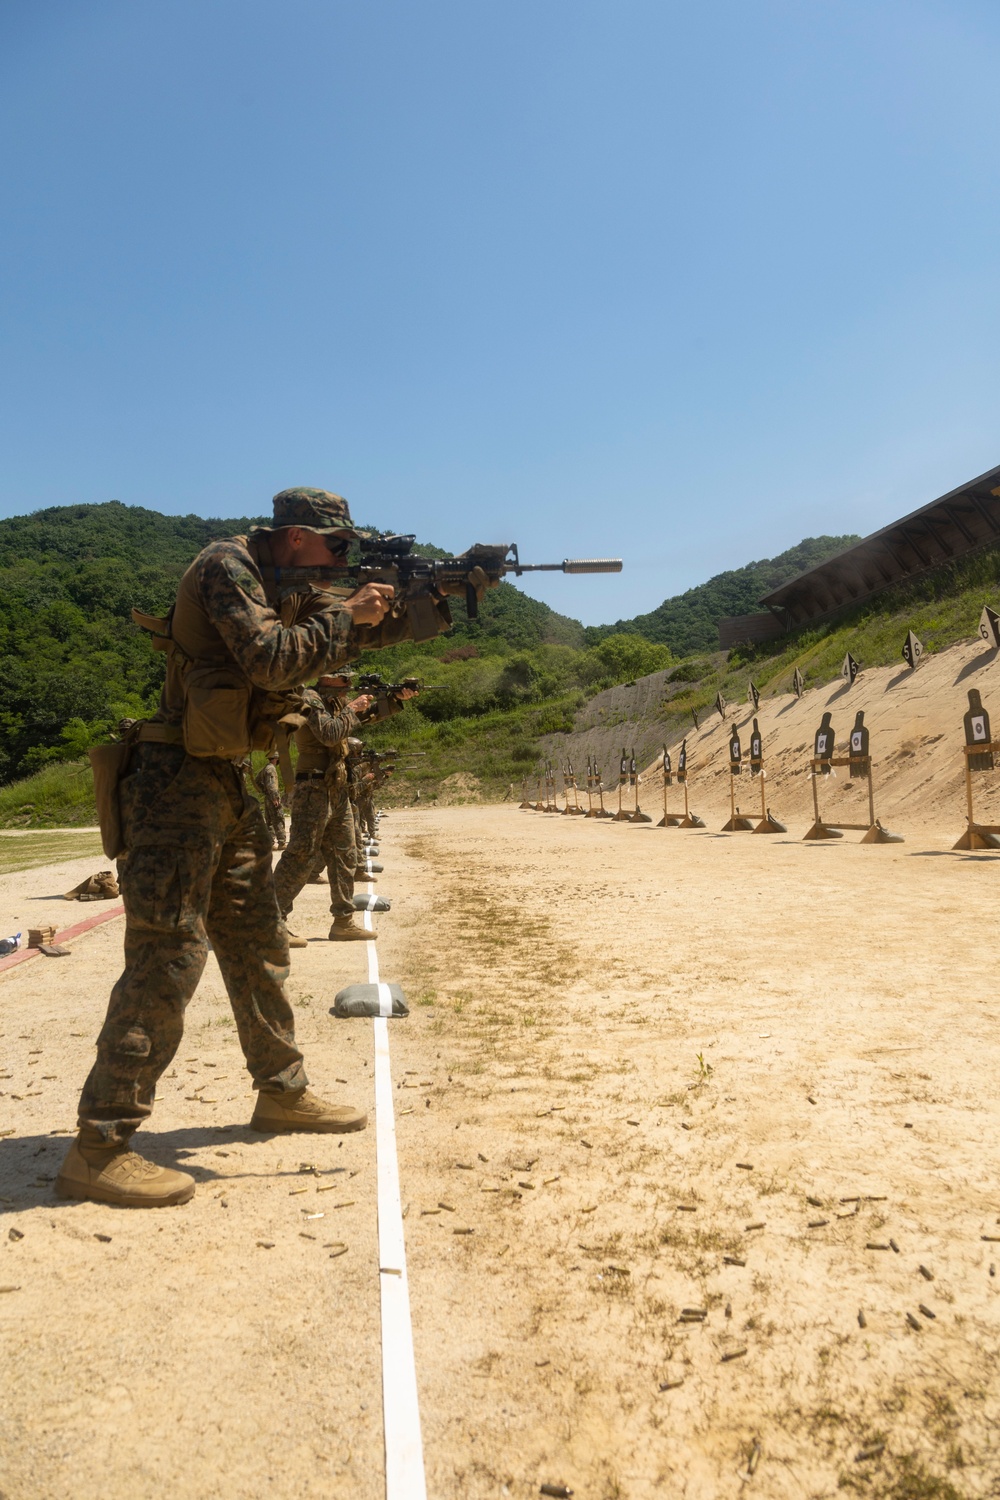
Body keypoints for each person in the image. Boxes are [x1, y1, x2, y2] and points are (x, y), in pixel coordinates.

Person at [57, 486, 480, 1208]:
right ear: (294, 538)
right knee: (169, 953)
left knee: (256, 940)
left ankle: (281, 1091)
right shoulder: (227, 568)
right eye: (334, 548)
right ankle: (100, 1143)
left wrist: (438, 597)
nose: (339, 563)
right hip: (170, 784)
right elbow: (271, 662)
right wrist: (348, 611)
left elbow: (364, 637)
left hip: (223, 783)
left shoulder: (296, 593)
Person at [273, 670, 375, 942]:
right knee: (302, 855)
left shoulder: (334, 703)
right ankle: (272, 922)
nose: (348, 685)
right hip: (313, 788)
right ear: (326, 678)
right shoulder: (310, 700)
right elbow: (330, 734)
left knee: (345, 855)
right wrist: (352, 707)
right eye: (344, 680)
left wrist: (394, 700)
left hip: (335, 789)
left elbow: (361, 719)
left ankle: (343, 921)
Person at [254, 750, 287, 849]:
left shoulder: (265, 768)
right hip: (273, 798)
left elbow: (256, 780)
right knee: (278, 818)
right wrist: (274, 798)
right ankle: (281, 842)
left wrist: (264, 791)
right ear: (276, 759)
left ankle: (271, 842)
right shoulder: (271, 769)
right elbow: (272, 785)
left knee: (269, 820)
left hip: (267, 798)